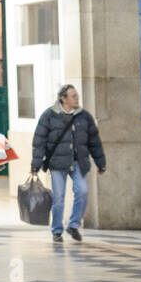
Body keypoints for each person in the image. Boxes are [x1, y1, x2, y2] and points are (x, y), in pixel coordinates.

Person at [30, 84, 107, 243]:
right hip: (57, 162)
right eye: (73, 96)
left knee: (83, 191)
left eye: (77, 95)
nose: (77, 98)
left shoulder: (84, 116)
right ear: (63, 99)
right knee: (58, 197)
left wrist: (100, 162)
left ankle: (73, 225)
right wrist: (35, 165)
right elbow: (39, 141)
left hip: (78, 161)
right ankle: (57, 230)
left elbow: (94, 141)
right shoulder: (49, 115)